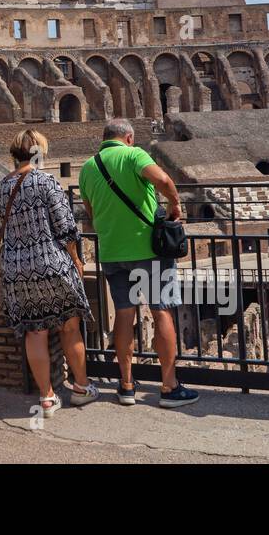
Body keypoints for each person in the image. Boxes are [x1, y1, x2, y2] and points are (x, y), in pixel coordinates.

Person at [77, 119, 198, 408]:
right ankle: (169, 387)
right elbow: (163, 181)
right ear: (128, 138)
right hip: (148, 250)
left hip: (111, 253)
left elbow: (90, 212)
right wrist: (175, 204)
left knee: (123, 314)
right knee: (162, 312)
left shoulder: (87, 167)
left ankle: (127, 385)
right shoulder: (134, 155)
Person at [0, 130, 97, 414]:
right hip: (51, 263)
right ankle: (81, 386)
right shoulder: (46, 182)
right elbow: (66, 227)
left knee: (35, 332)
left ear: (15, 154)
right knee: (69, 326)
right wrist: (76, 259)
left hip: (17, 269)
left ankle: (47, 397)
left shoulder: (3, 186)